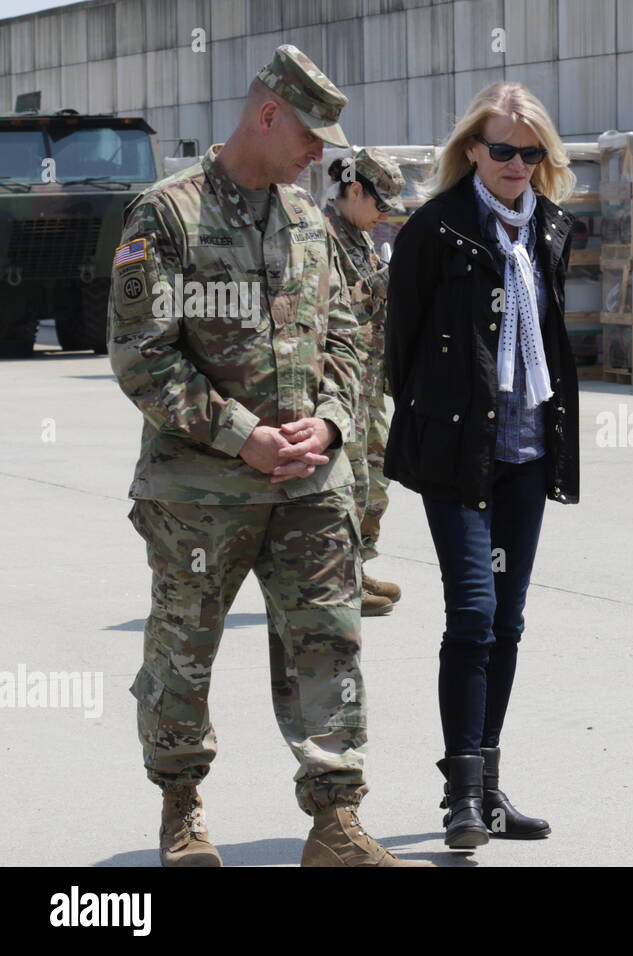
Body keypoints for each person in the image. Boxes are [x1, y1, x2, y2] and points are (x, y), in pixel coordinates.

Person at [109, 44, 424, 868]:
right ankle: (181, 810)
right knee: (184, 648)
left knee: (331, 642)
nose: (321, 153)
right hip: (201, 491)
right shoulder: (166, 215)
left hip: (312, 484)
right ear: (267, 113)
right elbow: (143, 353)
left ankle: (336, 821)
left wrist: (327, 422)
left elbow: (347, 336)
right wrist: (239, 434)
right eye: (311, 134)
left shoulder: (311, 220)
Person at [385, 81, 579, 849]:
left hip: (527, 453)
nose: (516, 164)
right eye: (502, 149)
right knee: (472, 613)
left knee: (509, 621)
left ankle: (491, 794)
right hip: (458, 453)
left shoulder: (552, 229)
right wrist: (433, 419)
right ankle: (460, 800)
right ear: (472, 150)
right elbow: (401, 347)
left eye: (530, 152)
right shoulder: (434, 230)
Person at [324, 147, 406, 618]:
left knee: (374, 482)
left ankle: (356, 567)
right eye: (381, 205)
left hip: (369, 387)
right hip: (341, 390)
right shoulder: (321, 238)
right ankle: (338, 581)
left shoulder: (357, 237)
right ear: (355, 190)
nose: (384, 215)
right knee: (346, 487)